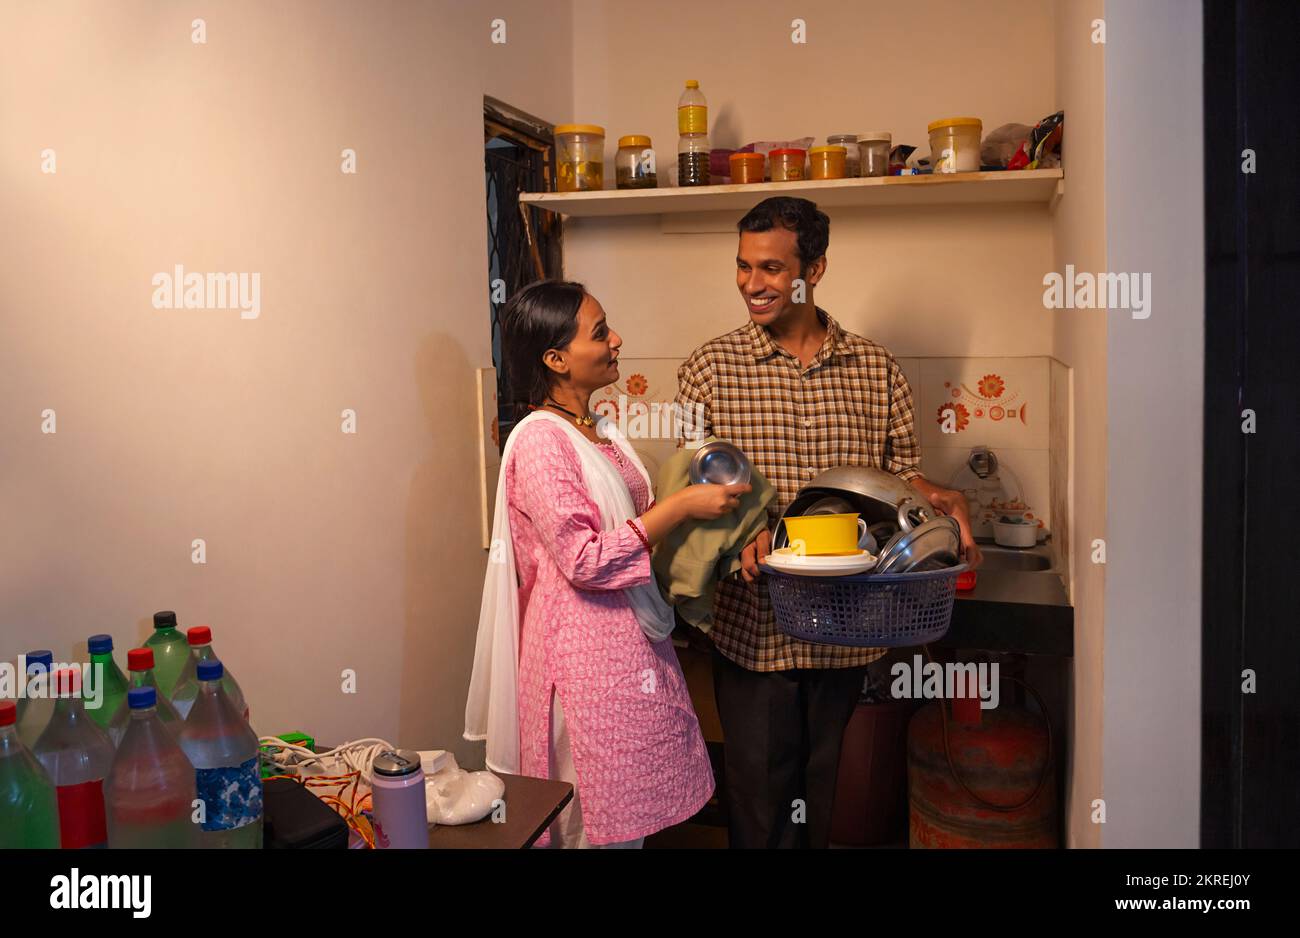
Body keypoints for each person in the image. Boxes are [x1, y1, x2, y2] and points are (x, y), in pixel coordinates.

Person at [674, 196, 983, 849]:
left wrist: (942, 499)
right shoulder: (708, 369)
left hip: (848, 630)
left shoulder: (876, 369)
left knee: (829, 809)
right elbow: (689, 494)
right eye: (741, 266)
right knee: (759, 815)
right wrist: (735, 537)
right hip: (752, 632)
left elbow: (903, 480)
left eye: (770, 268)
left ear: (813, 269)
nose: (751, 284)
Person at [465, 279, 748, 848]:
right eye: (599, 333)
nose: (616, 339)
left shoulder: (600, 432)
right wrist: (678, 507)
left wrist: (713, 524)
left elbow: (634, 532)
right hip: (579, 667)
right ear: (555, 359)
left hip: (629, 654)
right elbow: (586, 559)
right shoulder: (541, 442)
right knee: (588, 826)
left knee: (624, 827)